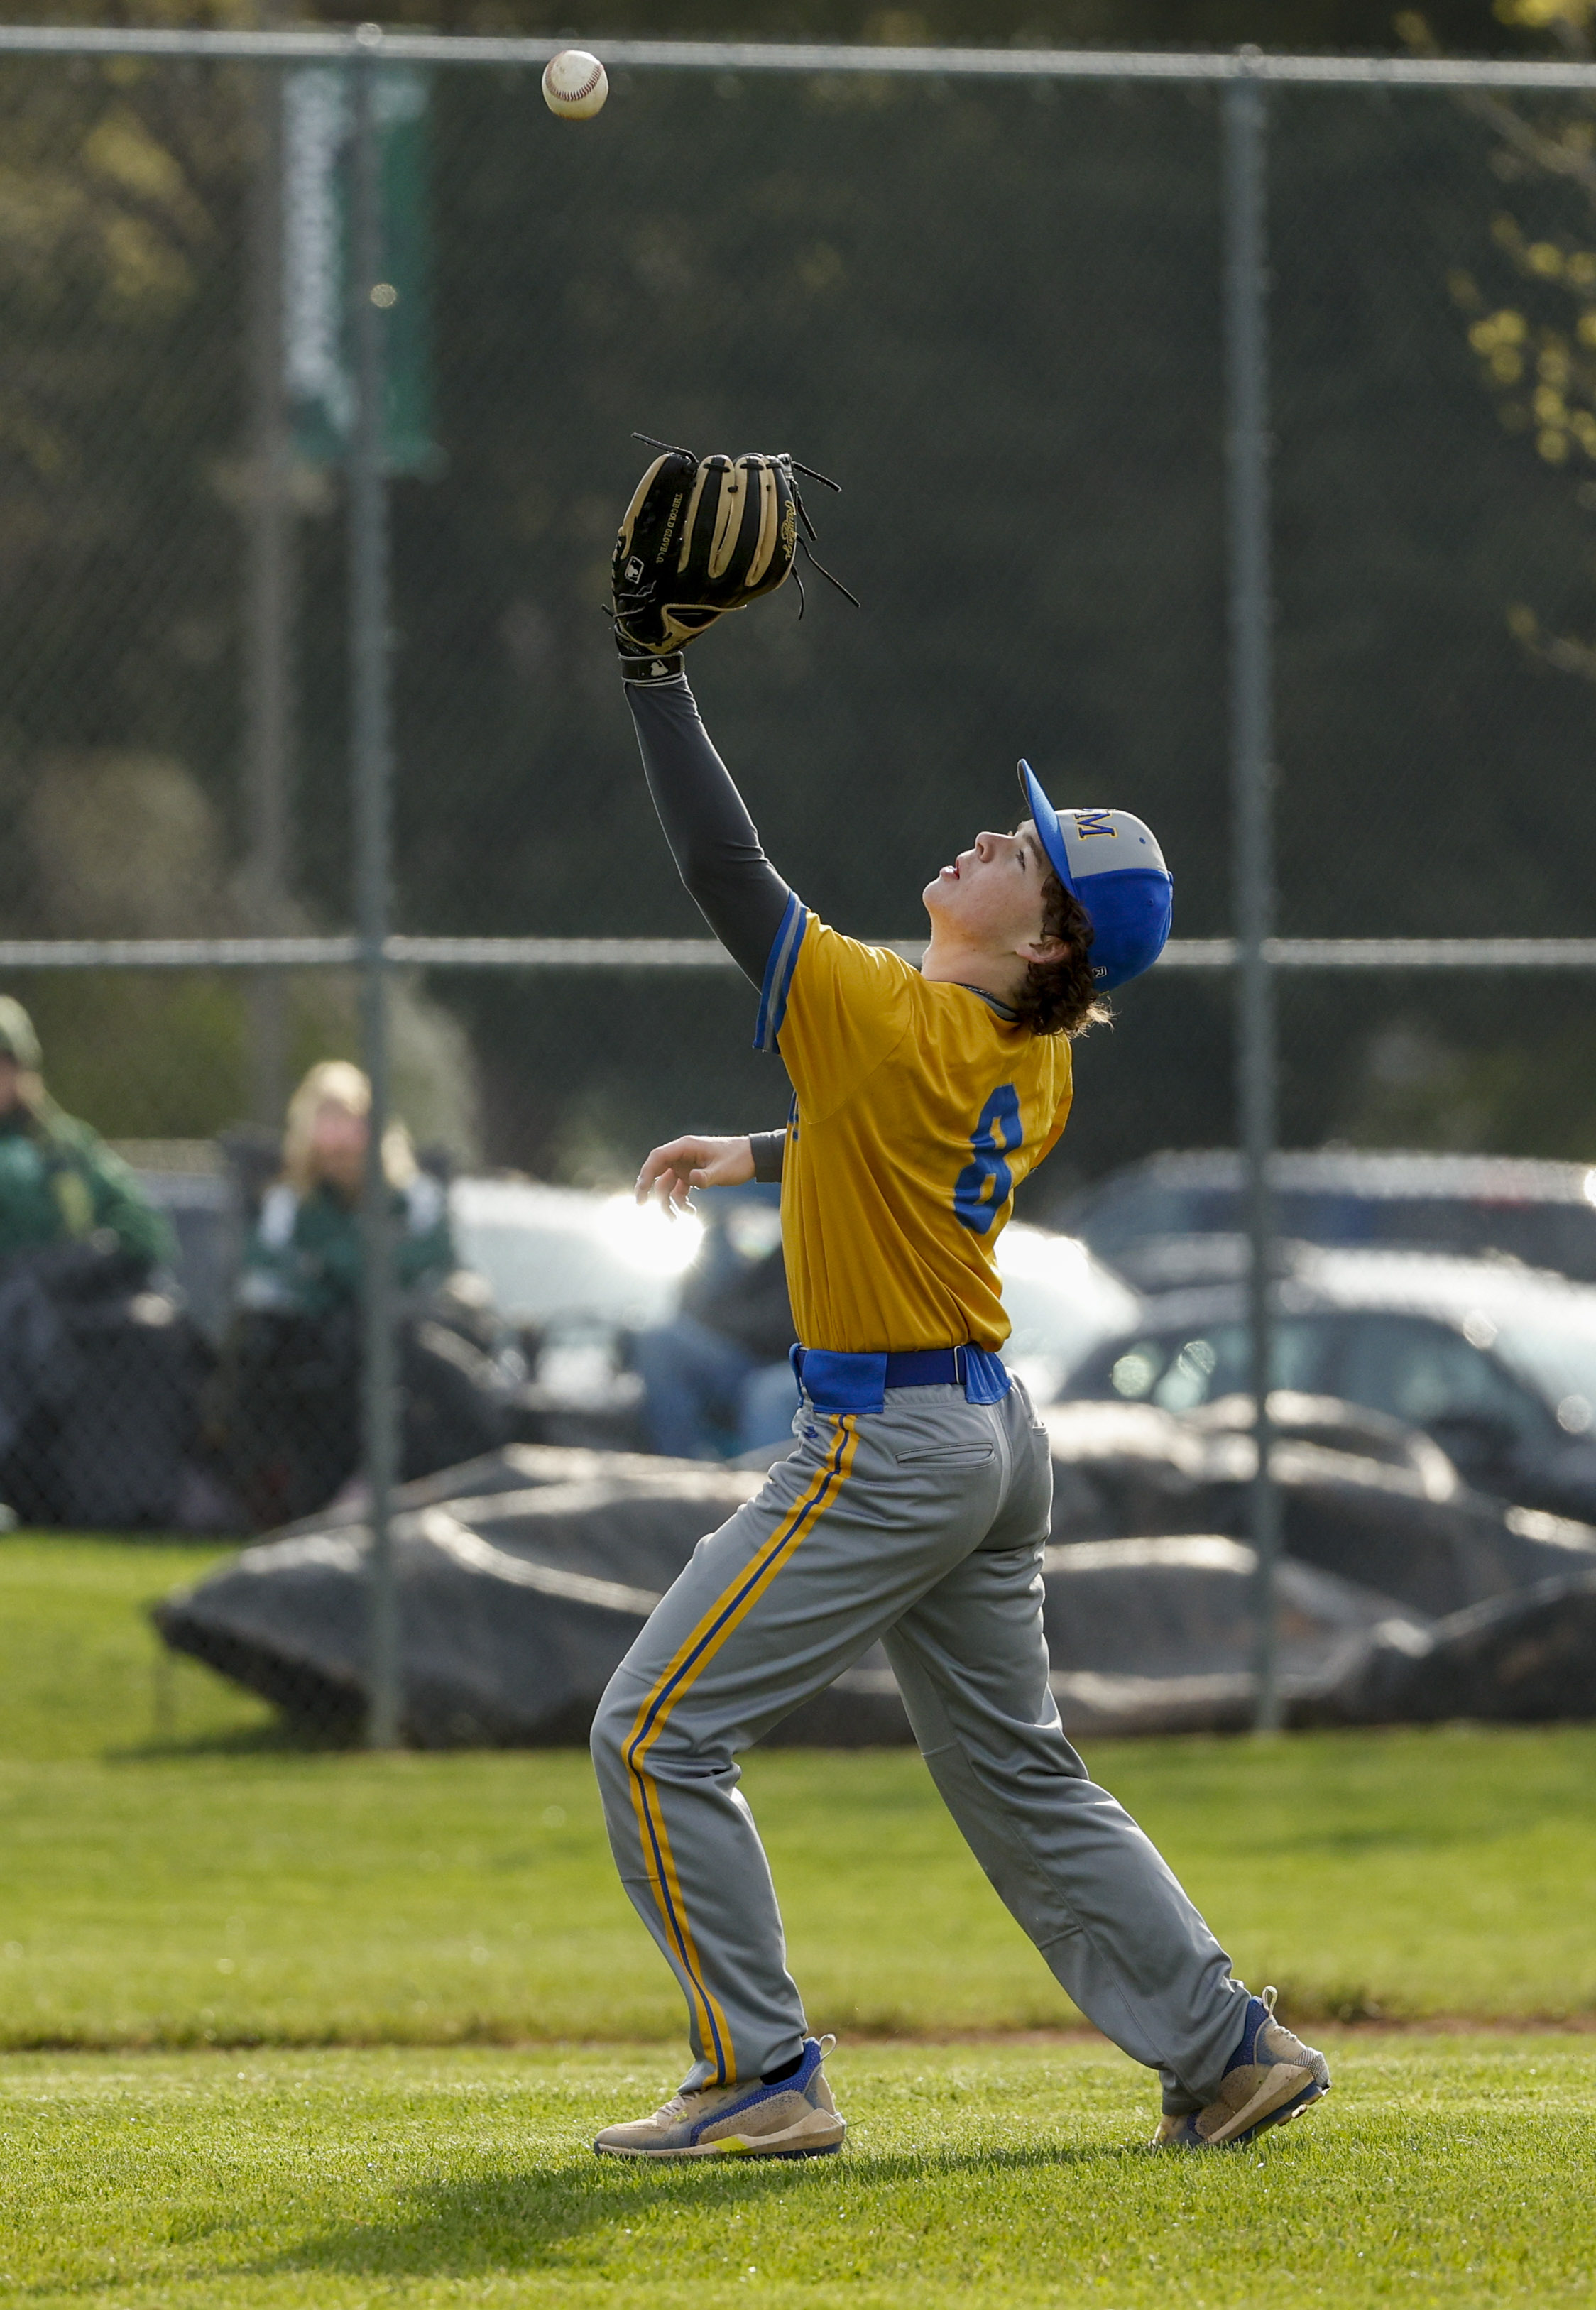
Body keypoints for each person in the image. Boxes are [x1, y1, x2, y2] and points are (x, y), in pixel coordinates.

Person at [586, 517, 1330, 2162]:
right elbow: (895, 1134)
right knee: (1024, 1774)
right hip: (993, 1441)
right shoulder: (1031, 1053)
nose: (999, 832)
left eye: (1030, 851)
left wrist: (654, 667)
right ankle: (1224, 2042)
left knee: (650, 1731)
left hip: (886, 1443)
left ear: (1050, 938)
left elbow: (728, 871)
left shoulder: (882, 1012)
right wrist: (762, 1149)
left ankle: (760, 2070)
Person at [217, 1060, 507, 1526]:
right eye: (325, 1128)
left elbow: (430, 1263)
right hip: (321, 1353)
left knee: (427, 1360)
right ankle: (360, 1485)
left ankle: (420, 1482)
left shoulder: (417, 1196)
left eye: (349, 1127)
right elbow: (269, 1276)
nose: (339, 1148)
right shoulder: (289, 1203)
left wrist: (333, 1262)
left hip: (411, 1340)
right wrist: (354, 1265)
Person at [0, 996, 200, 1525]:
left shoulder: (65, 1147)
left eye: (4, 1065)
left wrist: (81, 1260)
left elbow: (145, 1232)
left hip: (57, 1312)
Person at [630, 1187, 799, 1460]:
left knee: (768, 1393)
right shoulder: (778, 1244)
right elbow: (722, 1311)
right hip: (744, 1359)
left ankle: (763, 1494)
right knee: (660, 1340)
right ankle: (680, 1472)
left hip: (801, 1366)